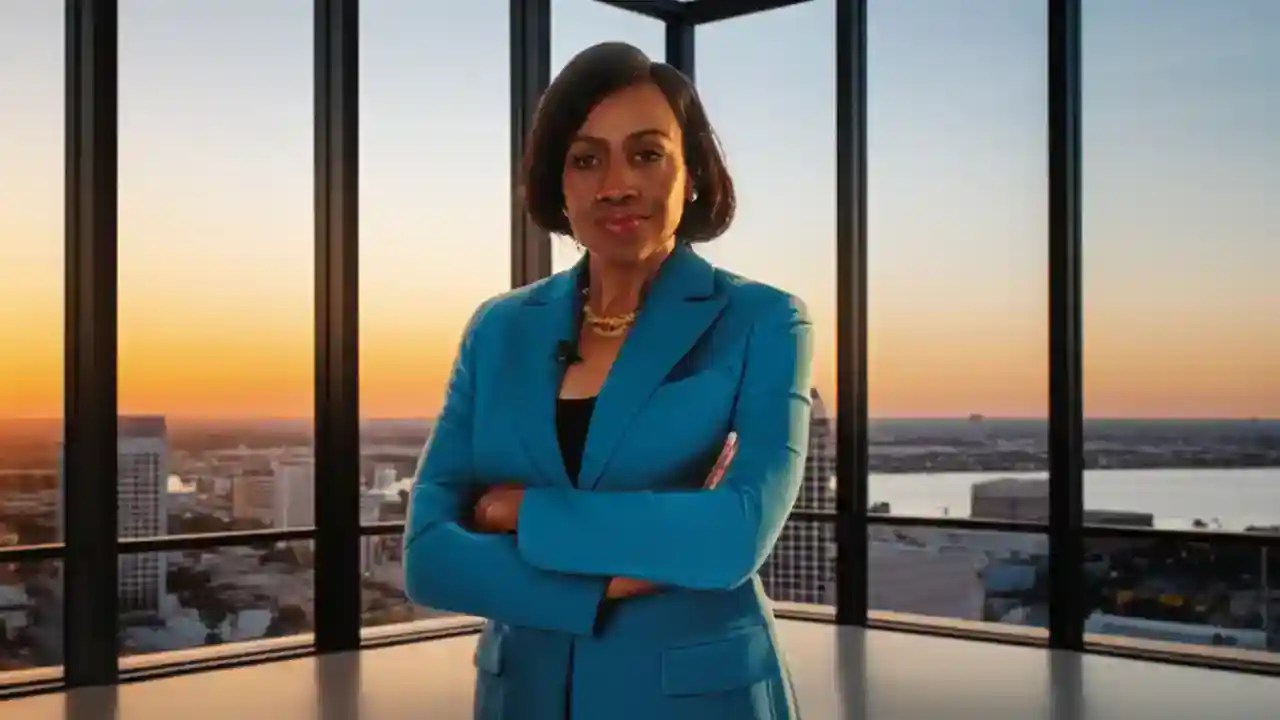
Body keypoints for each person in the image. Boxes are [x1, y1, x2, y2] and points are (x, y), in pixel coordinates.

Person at [403, 41, 813, 720]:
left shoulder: (763, 320)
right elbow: (430, 559)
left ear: (694, 173)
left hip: (696, 697)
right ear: (558, 184)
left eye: (647, 154)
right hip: (522, 695)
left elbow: (732, 537)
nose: (616, 184)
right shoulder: (498, 328)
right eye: (586, 158)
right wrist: (617, 577)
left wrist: (519, 512)